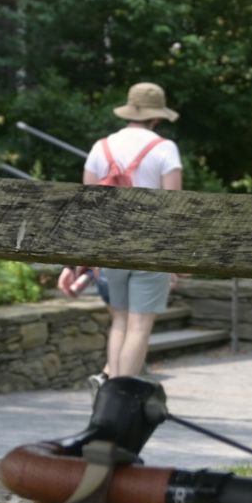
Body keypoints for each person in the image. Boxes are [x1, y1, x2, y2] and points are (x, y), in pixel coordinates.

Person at [82, 83, 182, 390]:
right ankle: (120, 394)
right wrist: (173, 260)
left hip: (111, 246)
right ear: (157, 117)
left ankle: (110, 384)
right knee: (140, 325)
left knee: (121, 321)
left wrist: (88, 255)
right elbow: (174, 207)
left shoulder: (101, 147)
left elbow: (87, 202)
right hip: (148, 247)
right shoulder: (164, 149)